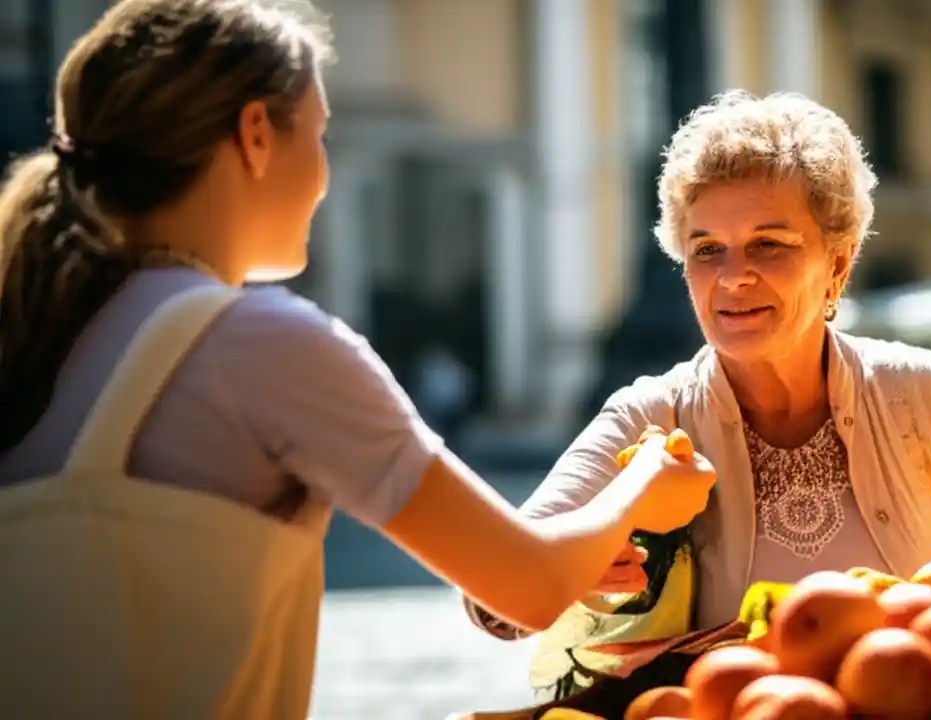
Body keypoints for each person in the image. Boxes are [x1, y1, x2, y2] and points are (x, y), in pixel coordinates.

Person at [0, 1, 714, 717]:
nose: (323, 173)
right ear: (254, 135)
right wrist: (646, 484)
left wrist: (579, 549)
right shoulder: (265, 346)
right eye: (319, 135)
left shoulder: (42, 324)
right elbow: (526, 586)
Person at [464, 90, 931, 645]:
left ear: (838, 265)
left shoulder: (929, 395)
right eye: (706, 250)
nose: (732, 276)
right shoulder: (647, 418)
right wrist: (596, 536)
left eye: (769, 244)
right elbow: (493, 596)